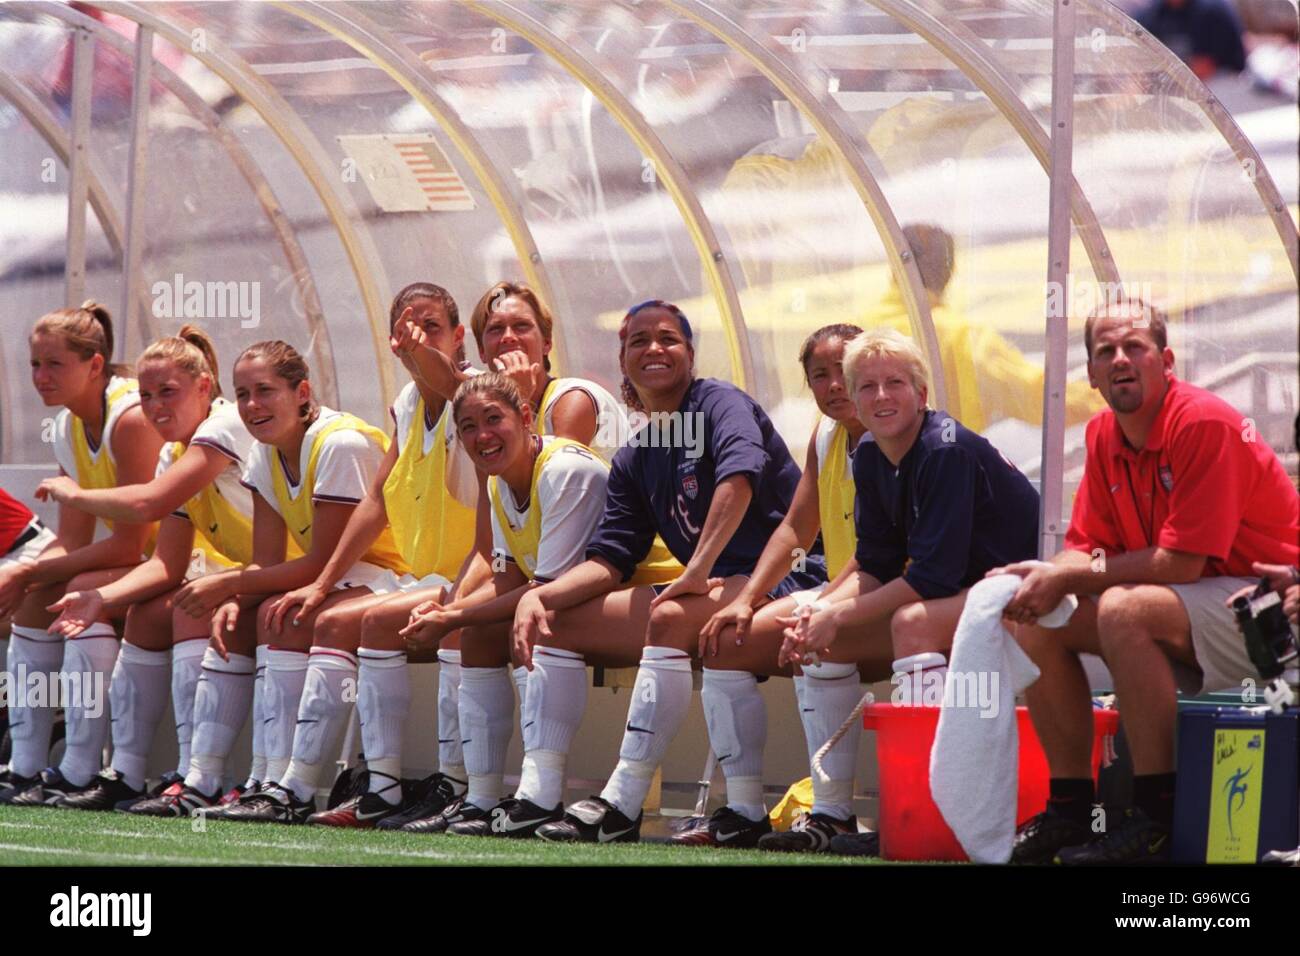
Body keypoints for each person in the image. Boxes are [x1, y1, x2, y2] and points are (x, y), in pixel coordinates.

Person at [503, 299, 825, 845]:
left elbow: (739, 477)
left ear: (690, 354)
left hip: (790, 572)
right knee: (559, 623)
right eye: (639, 341)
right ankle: (537, 794)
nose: (654, 348)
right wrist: (539, 596)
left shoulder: (717, 402)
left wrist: (698, 570)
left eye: (669, 339)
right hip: (718, 584)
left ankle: (630, 802)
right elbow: (610, 561)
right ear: (623, 358)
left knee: (673, 617)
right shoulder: (637, 454)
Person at [709, 327, 1040, 853]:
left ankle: (927, 816)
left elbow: (930, 577)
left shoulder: (943, 449)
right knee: (821, 636)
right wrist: (820, 611)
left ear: (922, 393)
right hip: (964, 593)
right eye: (866, 386)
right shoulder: (869, 457)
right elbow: (879, 564)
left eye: (895, 384)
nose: (880, 397)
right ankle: (832, 814)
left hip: (1023, 593)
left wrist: (838, 614)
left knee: (910, 623)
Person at [1004, 299, 1299, 865]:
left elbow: (1178, 564)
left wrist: (1069, 571)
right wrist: (1053, 577)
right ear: (1090, 374)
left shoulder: (1203, 421)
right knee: (1041, 616)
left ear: (1166, 362)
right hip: (1193, 610)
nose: (1120, 359)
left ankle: (1156, 815)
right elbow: (1087, 547)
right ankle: (1070, 811)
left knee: (1123, 609)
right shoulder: (1100, 435)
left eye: (1134, 347)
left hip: (1273, 612)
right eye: (1105, 351)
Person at [260, 283, 480, 829]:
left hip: (473, 576)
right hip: (420, 575)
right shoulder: (407, 404)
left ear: (458, 338)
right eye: (409, 327)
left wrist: (420, 353)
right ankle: (289, 784)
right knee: (314, 617)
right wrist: (318, 583)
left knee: (369, 622)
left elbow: (450, 385)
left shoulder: (473, 395)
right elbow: (376, 501)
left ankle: (442, 787)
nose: (420, 337)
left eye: (433, 327)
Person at [163, 340, 411, 824]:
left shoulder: (340, 442)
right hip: (340, 575)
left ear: (302, 393)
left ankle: (292, 788)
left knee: (285, 618)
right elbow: (267, 560)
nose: (253, 405)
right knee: (240, 620)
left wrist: (228, 585)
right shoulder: (263, 455)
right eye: (243, 394)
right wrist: (239, 593)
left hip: (396, 574)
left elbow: (323, 561)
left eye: (265, 391)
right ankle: (217, 779)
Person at [36, 327, 263, 812]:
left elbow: (149, 502)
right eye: (145, 395)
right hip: (245, 573)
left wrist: (75, 493)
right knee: (145, 613)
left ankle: (201, 777)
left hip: (288, 573)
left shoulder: (223, 427)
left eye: (168, 392)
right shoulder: (172, 449)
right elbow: (166, 563)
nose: (156, 406)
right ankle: (123, 772)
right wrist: (103, 599)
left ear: (204, 387)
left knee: (189, 608)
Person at [391, 373, 619, 836]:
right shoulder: (498, 482)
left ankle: (541, 795)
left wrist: (449, 614)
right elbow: (508, 578)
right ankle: (479, 797)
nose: (482, 436)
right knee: (475, 632)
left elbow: (544, 588)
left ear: (528, 418)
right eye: (469, 426)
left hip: (648, 587)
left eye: (494, 419)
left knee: (542, 621)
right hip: (575, 598)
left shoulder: (566, 470)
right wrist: (449, 615)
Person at [688, 322, 867, 850]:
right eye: (820, 375)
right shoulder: (827, 434)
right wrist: (745, 600)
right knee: (723, 639)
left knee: (815, 631)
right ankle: (744, 811)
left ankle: (832, 813)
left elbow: (881, 550)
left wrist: (824, 604)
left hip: (903, 593)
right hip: (847, 590)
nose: (834, 384)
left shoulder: (896, 430)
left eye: (844, 370)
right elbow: (795, 531)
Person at [0, 302, 162, 805]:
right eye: (34, 365)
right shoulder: (70, 425)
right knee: (37, 597)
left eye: (54, 364)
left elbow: (131, 541)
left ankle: (79, 768)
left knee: (72, 591)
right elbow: (74, 539)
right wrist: (28, 577)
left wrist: (25, 571)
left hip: (179, 560)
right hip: (137, 559)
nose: (41, 377)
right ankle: (25, 765)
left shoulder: (130, 418)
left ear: (95, 366)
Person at [1135, 0, 1247, 80]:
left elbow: (1205, 67)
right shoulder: (1151, 15)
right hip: (1171, 86)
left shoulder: (1213, 11)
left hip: (1222, 88)